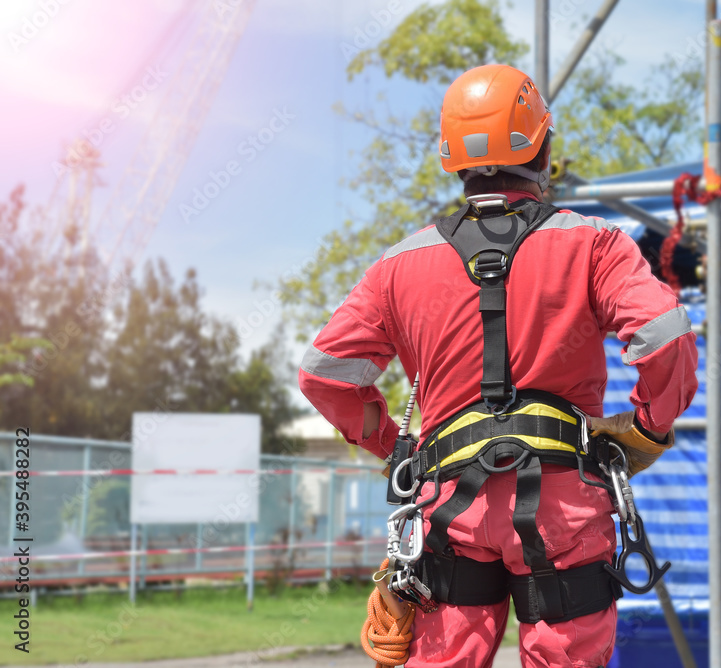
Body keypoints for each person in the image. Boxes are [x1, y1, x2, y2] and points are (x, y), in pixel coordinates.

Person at [299, 63, 699, 668]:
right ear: (542, 148)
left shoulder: (398, 266)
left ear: (452, 157)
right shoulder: (594, 244)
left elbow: (325, 373)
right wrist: (646, 429)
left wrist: (394, 445)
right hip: (563, 502)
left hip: (449, 504)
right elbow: (665, 335)